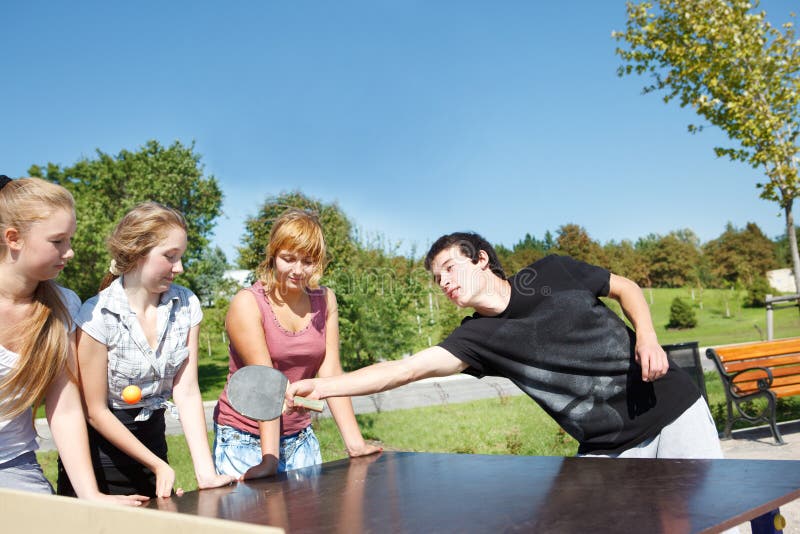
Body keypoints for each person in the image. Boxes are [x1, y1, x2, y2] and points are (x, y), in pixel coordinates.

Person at [288, 232, 724, 459]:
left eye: (450, 268)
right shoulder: (474, 339)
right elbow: (403, 370)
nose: (443, 282)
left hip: (671, 410)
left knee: (717, 523)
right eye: (437, 278)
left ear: (480, 259)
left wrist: (647, 336)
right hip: (606, 445)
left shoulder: (553, 272)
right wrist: (323, 388)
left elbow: (625, 287)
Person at [58, 201, 235, 498]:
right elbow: (95, 411)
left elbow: (188, 391)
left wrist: (205, 473)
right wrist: (158, 466)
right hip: (101, 459)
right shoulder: (97, 315)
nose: (179, 267)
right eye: (170, 257)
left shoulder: (187, 304)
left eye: (180, 257)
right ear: (138, 253)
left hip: (153, 443)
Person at [0, 175, 148, 505]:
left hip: (15, 467)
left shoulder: (65, 306)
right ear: (14, 238)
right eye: (58, 241)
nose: (69, 252)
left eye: (70, 240)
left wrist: (90, 494)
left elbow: (65, 408)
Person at [213, 209, 381, 480]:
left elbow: (331, 373)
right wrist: (270, 460)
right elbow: (265, 384)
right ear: (273, 255)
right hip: (244, 438)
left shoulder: (325, 299)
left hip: (299, 436)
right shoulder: (247, 303)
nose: (298, 270)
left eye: (308, 261)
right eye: (288, 259)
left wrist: (355, 444)